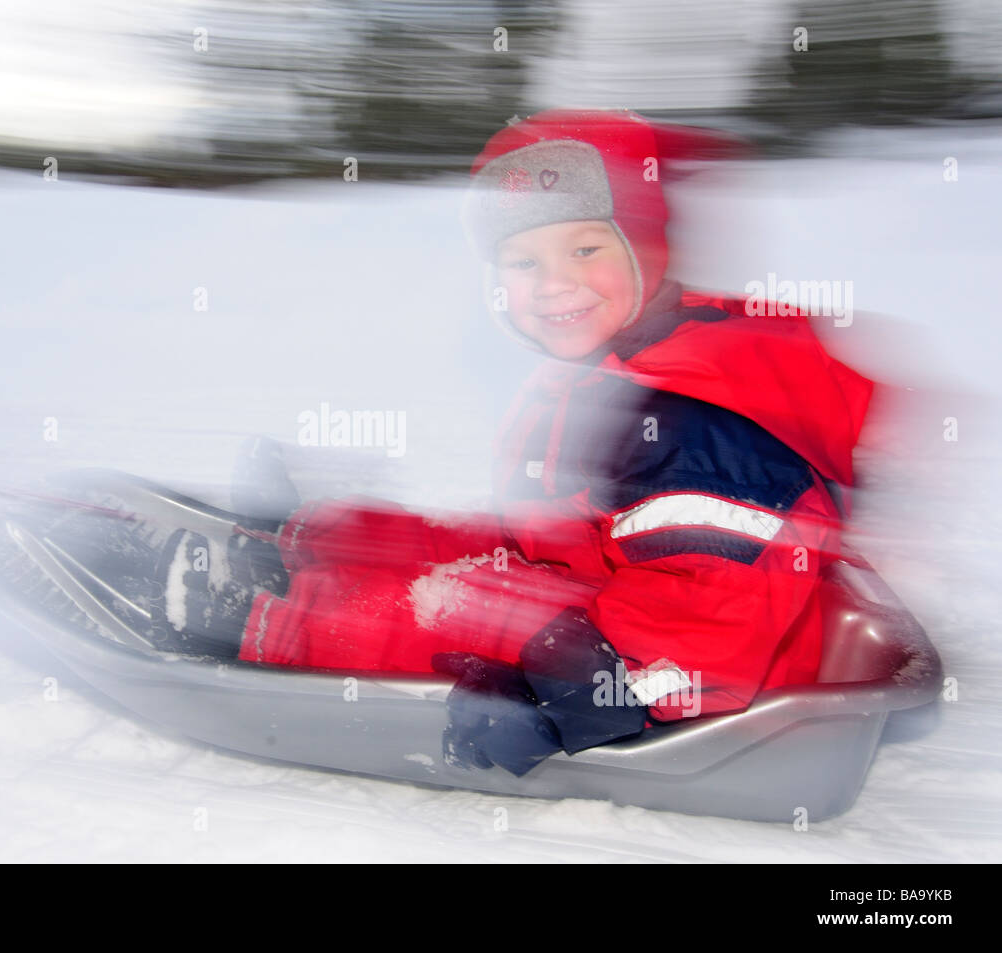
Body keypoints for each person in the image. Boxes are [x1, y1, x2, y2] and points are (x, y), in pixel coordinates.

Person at [139, 109, 875, 777]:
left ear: (647, 249)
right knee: (464, 546)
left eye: (586, 248)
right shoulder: (615, 363)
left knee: (444, 608)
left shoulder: (699, 419)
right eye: (524, 263)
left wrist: (570, 688)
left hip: (672, 666)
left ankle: (254, 617)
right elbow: (548, 535)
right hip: (618, 594)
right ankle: (303, 542)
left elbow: (712, 617)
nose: (555, 284)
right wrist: (362, 536)